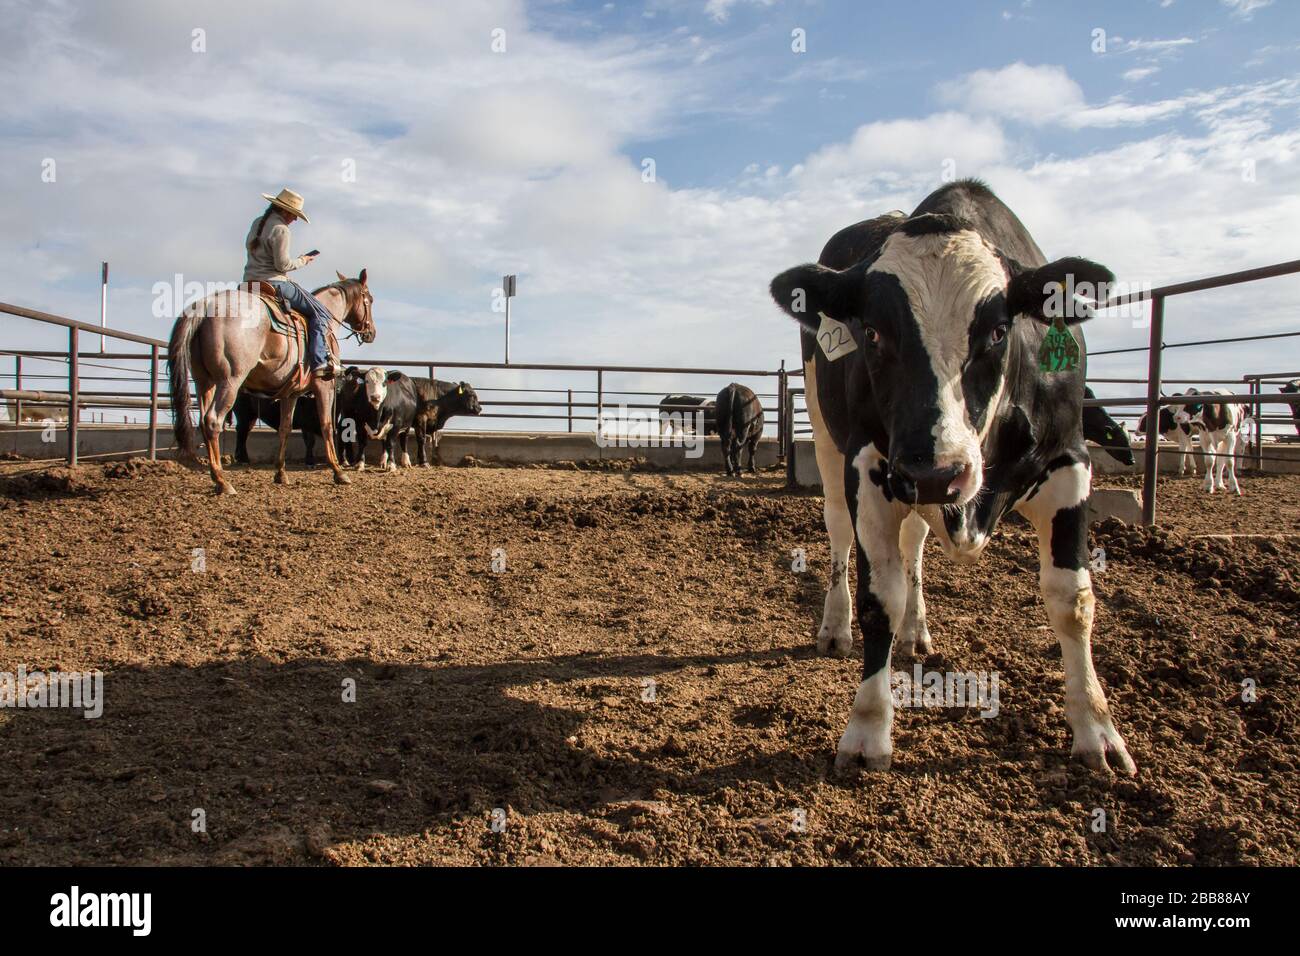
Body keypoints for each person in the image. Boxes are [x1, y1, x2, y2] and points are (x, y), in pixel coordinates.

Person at [242, 188, 339, 379]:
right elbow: (282, 264)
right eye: (294, 215)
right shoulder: (281, 230)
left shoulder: (257, 223)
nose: (294, 220)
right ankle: (319, 361)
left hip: (249, 283)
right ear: (285, 211)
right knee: (321, 312)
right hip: (274, 283)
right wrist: (303, 260)